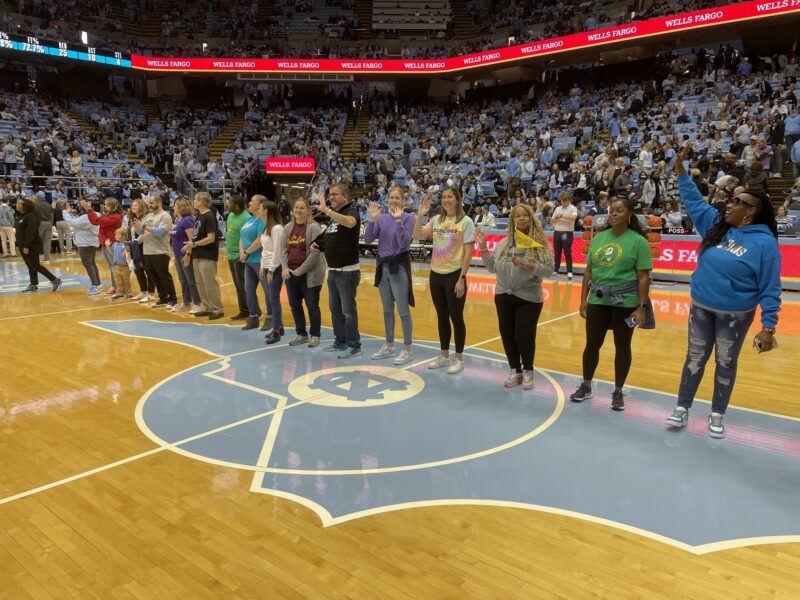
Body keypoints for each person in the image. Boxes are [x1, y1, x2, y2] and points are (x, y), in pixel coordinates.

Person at [666, 143, 780, 438]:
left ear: (751, 211)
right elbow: (694, 201)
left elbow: (770, 287)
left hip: (735, 315)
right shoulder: (717, 225)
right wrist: (681, 172)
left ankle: (717, 413)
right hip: (701, 307)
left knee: (726, 362)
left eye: (737, 201)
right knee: (694, 357)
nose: (728, 204)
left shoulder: (765, 243)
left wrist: (769, 327)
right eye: (730, 199)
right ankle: (682, 406)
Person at [570, 196, 653, 411]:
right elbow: (589, 272)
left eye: (618, 210)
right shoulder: (598, 238)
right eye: (611, 210)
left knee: (622, 346)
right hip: (598, 300)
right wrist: (583, 300)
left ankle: (618, 391)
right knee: (592, 345)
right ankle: (586, 385)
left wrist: (641, 308)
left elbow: (643, 277)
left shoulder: (638, 241)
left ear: (629, 214)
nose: (613, 214)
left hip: (625, 303)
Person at [475, 203, 554, 390]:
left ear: (531, 218)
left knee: (524, 336)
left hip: (528, 298)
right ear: (512, 220)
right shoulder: (504, 243)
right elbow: (491, 267)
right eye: (517, 216)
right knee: (507, 335)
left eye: (524, 215)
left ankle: (528, 371)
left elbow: (549, 270)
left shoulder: (539, 245)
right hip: (503, 296)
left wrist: (528, 265)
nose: (521, 218)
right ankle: (515, 370)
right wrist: (484, 246)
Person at [412, 187, 474, 375]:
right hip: (435, 275)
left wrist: (462, 278)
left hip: (454, 276)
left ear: (457, 200)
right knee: (441, 316)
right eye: (444, 197)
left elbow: (469, 253)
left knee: (456, 317)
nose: (446, 200)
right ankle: (444, 355)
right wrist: (419, 216)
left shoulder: (466, 221)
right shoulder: (436, 220)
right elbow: (417, 237)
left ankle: (458, 358)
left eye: (450, 197)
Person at [363, 185, 416, 365]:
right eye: (391, 198)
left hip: (399, 266)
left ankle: (407, 348)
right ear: (387, 199)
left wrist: (399, 221)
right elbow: (369, 239)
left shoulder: (409, 217)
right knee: (387, 310)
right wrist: (371, 221)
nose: (394, 201)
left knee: (402, 310)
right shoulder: (381, 219)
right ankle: (389, 345)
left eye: (397, 198)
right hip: (382, 267)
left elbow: (403, 243)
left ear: (403, 200)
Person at [281, 197, 325, 348]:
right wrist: (285, 267)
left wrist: (300, 270)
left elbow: (316, 253)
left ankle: (315, 335)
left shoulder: (314, 228)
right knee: (295, 305)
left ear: (307, 211)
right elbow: (282, 250)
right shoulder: (287, 228)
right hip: (291, 274)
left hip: (309, 274)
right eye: (296, 207)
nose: (298, 210)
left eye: (302, 208)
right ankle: (301, 334)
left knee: (312, 305)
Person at [183, 192, 223, 320]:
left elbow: (211, 238)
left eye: (195, 199)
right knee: (200, 283)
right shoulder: (199, 216)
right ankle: (207, 307)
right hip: (197, 254)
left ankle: (217, 308)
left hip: (207, 254)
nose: (193, 201)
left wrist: (193, 244)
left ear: (200, 201)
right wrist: (191, 248)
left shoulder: (209, 216)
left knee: (209, 282)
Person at [133, 194, 177, 308]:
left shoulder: (165, 216)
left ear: (159, 202)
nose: (150, 205)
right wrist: (137, 227)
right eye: (149, 203)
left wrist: (143, 227)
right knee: (154, 276)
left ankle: (172, 298)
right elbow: (142, 233)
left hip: (160, 251)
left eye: (152, 203)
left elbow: (160, 232)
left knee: (164, 276)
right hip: (147, 251)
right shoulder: (148, 216)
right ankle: (163, 298)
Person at [14, 198, 61, 293]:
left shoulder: (31, 216)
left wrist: (26, 246)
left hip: (32, 245)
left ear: (25, 206)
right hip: (22, 244)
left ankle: (55, 280)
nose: (16, 205)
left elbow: (31, 232)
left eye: (19, 203)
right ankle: (33, 285)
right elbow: (19, 232)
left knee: (35, 265)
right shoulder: (21, 216)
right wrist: (18, 244)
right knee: (30, 265)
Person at [239, 195, 268, 330]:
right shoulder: (250, 219)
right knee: (249, 289)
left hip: (259, 260)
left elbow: (260, 240)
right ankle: (253, 317)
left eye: (253, 201)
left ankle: (272, 317)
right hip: (249, 260)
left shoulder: (261, 221)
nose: (249, 202)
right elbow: (242, 237)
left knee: (267, 290)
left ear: (260, 204)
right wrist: (241, 252)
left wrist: (246, 252)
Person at [259, 198, 285, 345]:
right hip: (268, 266)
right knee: (271, 297)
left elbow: (278, 251)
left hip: (275, 267)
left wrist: (272, 269)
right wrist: (263, 266)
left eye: (260, 208)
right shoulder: (266, 228)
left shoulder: (277, 229)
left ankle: (276, 331)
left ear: (267, 210)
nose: (258, 210)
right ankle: (279, 327)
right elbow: (265, 251)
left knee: (273, 298)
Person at [169, 198, 202, 312]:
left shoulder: (187, 220)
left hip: (185, 255)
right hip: (177, 255)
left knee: (191, 280)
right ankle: (186, 302)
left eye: (175, 206)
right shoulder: (178, 220)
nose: (173, 207)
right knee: (183, 280)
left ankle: (197, 303)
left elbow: (191, 239)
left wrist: (188, 254)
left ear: (180, 207)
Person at [86, 197, 123, 296]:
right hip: (106, 243)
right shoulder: (109, 215)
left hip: (112, 244)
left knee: (114, 267)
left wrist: (89, 210)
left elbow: (96, 221)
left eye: (106, 204)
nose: (104, 206)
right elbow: (96, 221)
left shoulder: (115, 217)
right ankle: (115, 286)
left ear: (111, 205)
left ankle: (117, 287)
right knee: (112, 267)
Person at [64, 201, 102, 294]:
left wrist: (65, 212)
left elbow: (72, 223)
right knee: (91, 264)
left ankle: (95, 285)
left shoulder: (87, 217)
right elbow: (78, 222)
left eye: (86, 205)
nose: (84, 206)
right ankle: (98, 284)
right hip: (90, 242)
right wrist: (70, 214)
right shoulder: (98, 214)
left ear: (91, 207)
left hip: (85, 243)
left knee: (88, 264)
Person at [225, 194, 250, 320]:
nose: (227, 205)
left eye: (230, 203)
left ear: (236, 205)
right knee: (238, 285)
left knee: (243, 286)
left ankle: (249, 310)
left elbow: (248, 238)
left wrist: (243, 253)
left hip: (240, 256)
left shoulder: (247, 218)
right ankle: (245, 309)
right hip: (230, 255)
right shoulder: (230, 215)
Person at [127, 198, 155, 302]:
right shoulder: (133, 218)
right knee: (138, 270)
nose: (133, 207)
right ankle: (143, 292)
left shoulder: (147, 218)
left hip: (145, 247)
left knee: (148, 271)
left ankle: (151, 293)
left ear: (142, 206)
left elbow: (146, 233)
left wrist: (135, 242)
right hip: (135, 248)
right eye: (132, 205)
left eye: (135, 205)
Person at [550, 192, 577, 279]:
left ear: (569, 200)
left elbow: (573, 218)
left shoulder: (573, 208)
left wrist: (561, 216)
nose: (563, 203)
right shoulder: (557, 209)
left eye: (565, 201)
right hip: (557, 232)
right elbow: (551, 222)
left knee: (567, 253)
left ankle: (569, 271)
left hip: (567, 232)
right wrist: (556, 218)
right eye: (562, 201)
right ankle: (555, 269)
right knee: (557, 253)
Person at [110, 227, 132, 300]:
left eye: (117, 235)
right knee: (118, 281)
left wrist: (126, 252)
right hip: (116, 266)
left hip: (125, 266)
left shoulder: (127, 244)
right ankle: (120, 293)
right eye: (115, 235)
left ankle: (128, 293)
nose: (115, 236)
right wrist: (107, 246)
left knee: (126, 280)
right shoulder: (115, 244)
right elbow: (112, 253)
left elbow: (129, 252)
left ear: (124, 236)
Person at [32, 194, 54, 263]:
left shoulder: (34, 204)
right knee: (47, 241)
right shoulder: (48, 204)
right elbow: (52, 214)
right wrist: (51, 223)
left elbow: (32, 215)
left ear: (37, 197)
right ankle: (47, 258)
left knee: (37, 241)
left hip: (39, 224)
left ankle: (36, 258)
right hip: (48, 223)